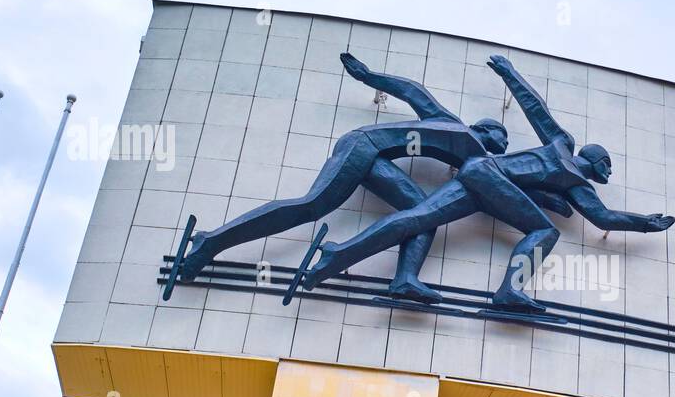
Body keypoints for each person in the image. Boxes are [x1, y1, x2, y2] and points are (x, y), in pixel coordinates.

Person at [299, 55, 675, 313]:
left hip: (479, 174)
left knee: (418, 218)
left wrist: (643, 223)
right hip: (489, 178)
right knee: (543, 231)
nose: (607, 173)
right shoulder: (563, 146)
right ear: (595, 159)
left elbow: (604, 218)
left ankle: (339, 256)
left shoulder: (579, 189)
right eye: (606, 164)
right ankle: (509, 290)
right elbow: (536, 109)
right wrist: (510, 75)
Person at [171, 52, 511, 303]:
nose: (503, 147)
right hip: (362, 145)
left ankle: (404, 279)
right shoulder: (463, 134)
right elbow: (412, 91)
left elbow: (414, 92)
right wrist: (369, 77)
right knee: (312, 206)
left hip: (376, 159)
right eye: (502, 138)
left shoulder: (468, 146)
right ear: (485, 130)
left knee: (421, 214)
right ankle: (211, 241)